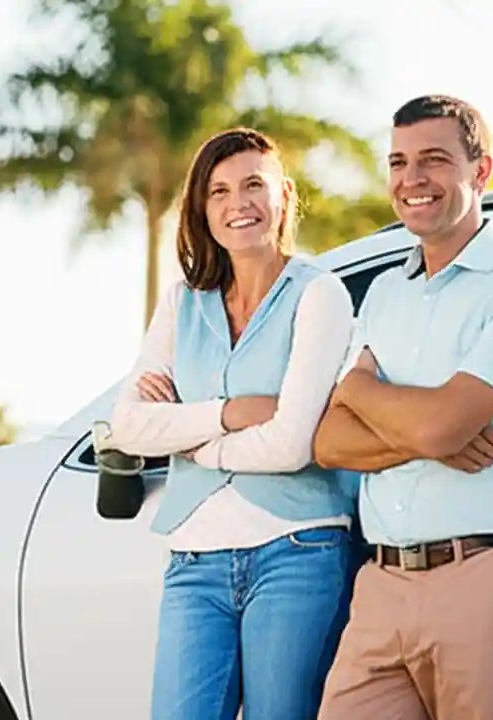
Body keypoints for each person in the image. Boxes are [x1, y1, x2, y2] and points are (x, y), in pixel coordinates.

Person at [314, 95, 493, 720]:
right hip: (382, 585)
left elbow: (440, 425)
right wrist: (428, 428)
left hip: (484, 578)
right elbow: (329, 442)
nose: (412, 180)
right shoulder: (383, 291)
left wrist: (359, 391)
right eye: (399, 162)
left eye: (433, 160)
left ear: (480, 172)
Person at [102, 127, 357, 720]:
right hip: (194, 560)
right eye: (218, 191)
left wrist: (193, 443)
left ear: (284, 197)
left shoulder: (319, 295)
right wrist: (227, 414)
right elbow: (129, 426)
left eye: (252, 186)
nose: (236, 204)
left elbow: (292, 444)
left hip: (299, 549)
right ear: (201, 208)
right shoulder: (181, 302)